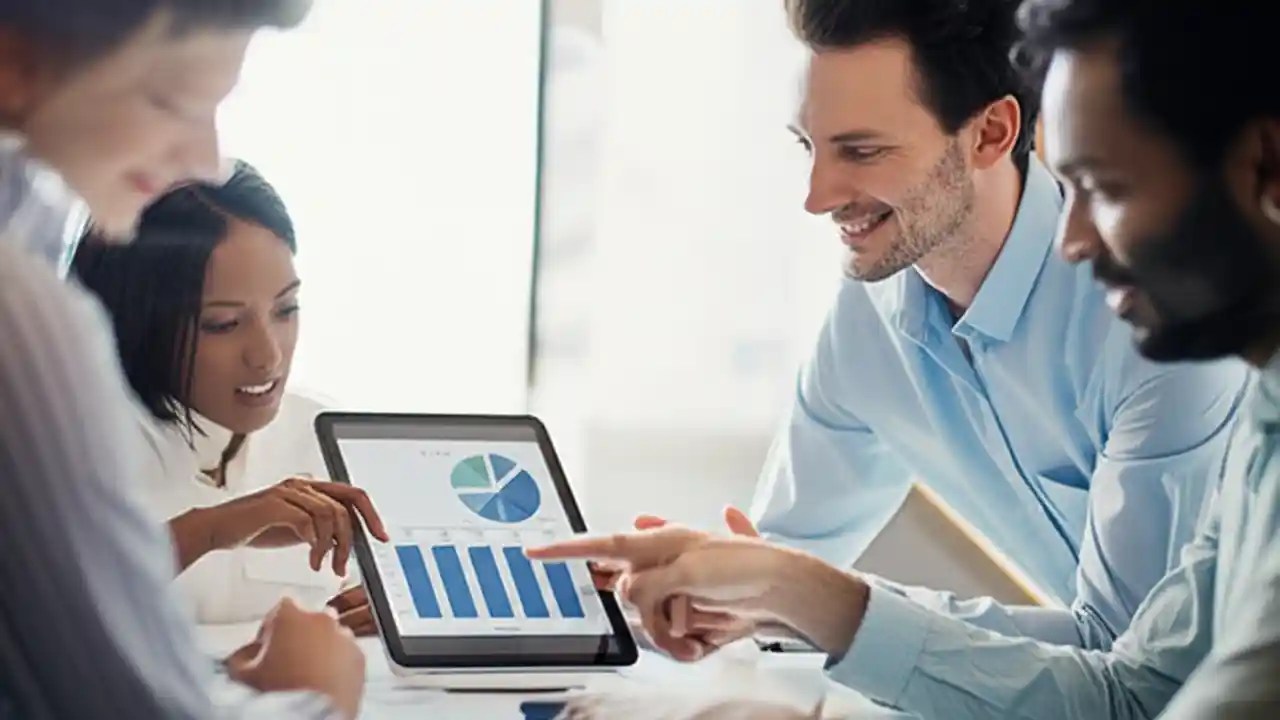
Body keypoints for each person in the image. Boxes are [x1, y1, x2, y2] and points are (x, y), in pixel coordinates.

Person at [531, 0, 1280, 716]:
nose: (817, 197)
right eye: (809, 147)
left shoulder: (1161, 326)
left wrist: (803, 602)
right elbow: (1134, 691)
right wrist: (720, 590)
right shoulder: (872, 311)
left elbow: (1119, 674)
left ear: (991, 134)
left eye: (861, 149)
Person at [0, 2, 368, 718]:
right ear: (14, 62)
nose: (205, 159)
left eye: (287, 308)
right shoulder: (28, 316)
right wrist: (317, 694)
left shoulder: (318, 429)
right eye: (172, 100)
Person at [70, 160, 387, 635]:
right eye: (222, 324)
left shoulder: (322, 434)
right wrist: (213, 528)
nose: (267, 356)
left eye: (286, 309)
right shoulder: (68, 448)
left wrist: (390, 605)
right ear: (137, 322)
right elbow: (49, 616)